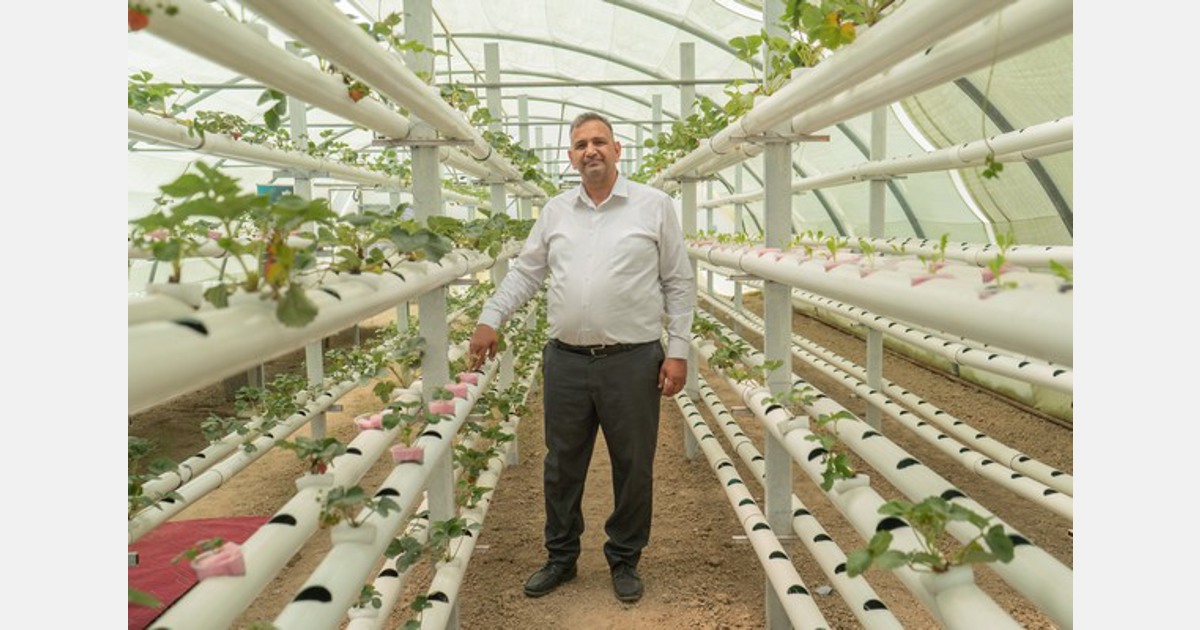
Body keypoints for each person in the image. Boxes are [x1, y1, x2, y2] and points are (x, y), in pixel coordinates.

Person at [467, 111, 695, 604]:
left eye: (599, 142)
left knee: (633, 464)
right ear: (570, 157)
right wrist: (492, 316)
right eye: (580, 144)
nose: (590, 150)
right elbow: (527, 272)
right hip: (566, 360)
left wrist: (677, 351)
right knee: (562, 464)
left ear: (618, 150)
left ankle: (624, 558)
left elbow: (678, 281)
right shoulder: (556, 211)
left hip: (633, 360)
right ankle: (561, 557)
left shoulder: (653, 206)